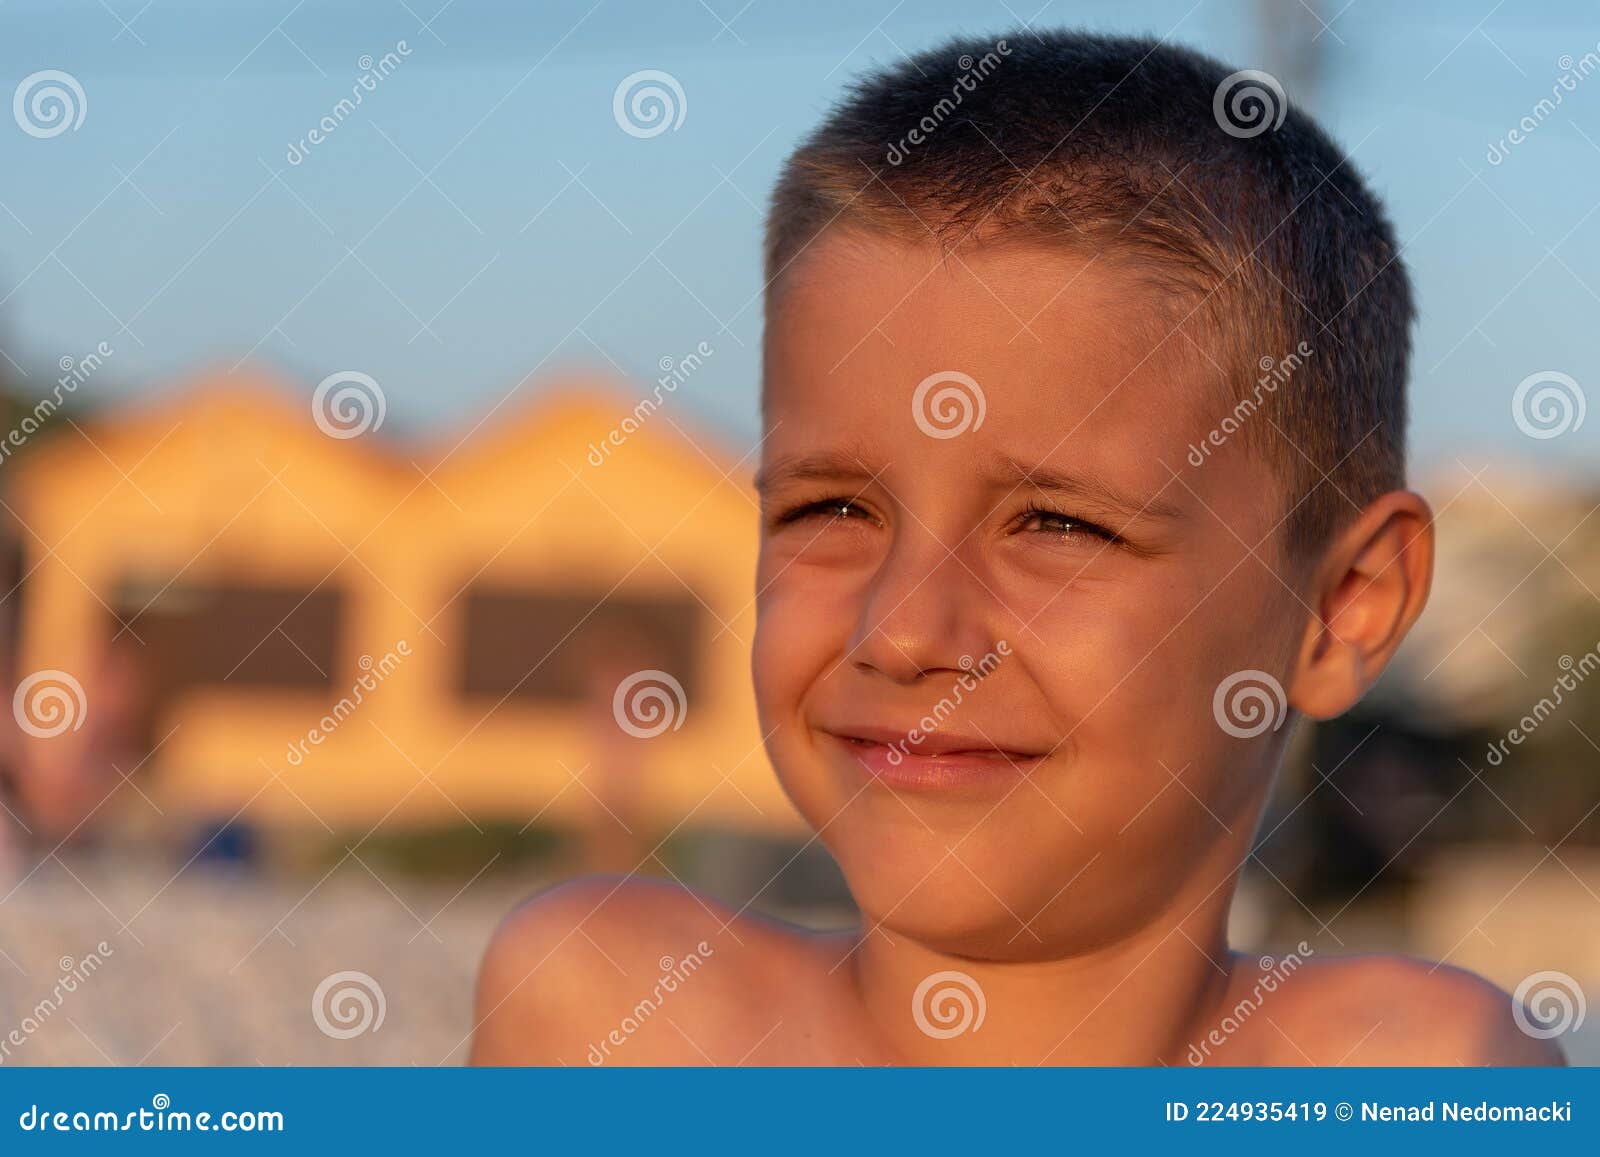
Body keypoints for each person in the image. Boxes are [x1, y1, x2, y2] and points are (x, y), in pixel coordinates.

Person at [470, 30, 1562, 1066]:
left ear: (1343, 604)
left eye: (1059, 524)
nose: (897, 629)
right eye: (831, 510)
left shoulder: (1404, 1074)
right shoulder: (623, 1022)